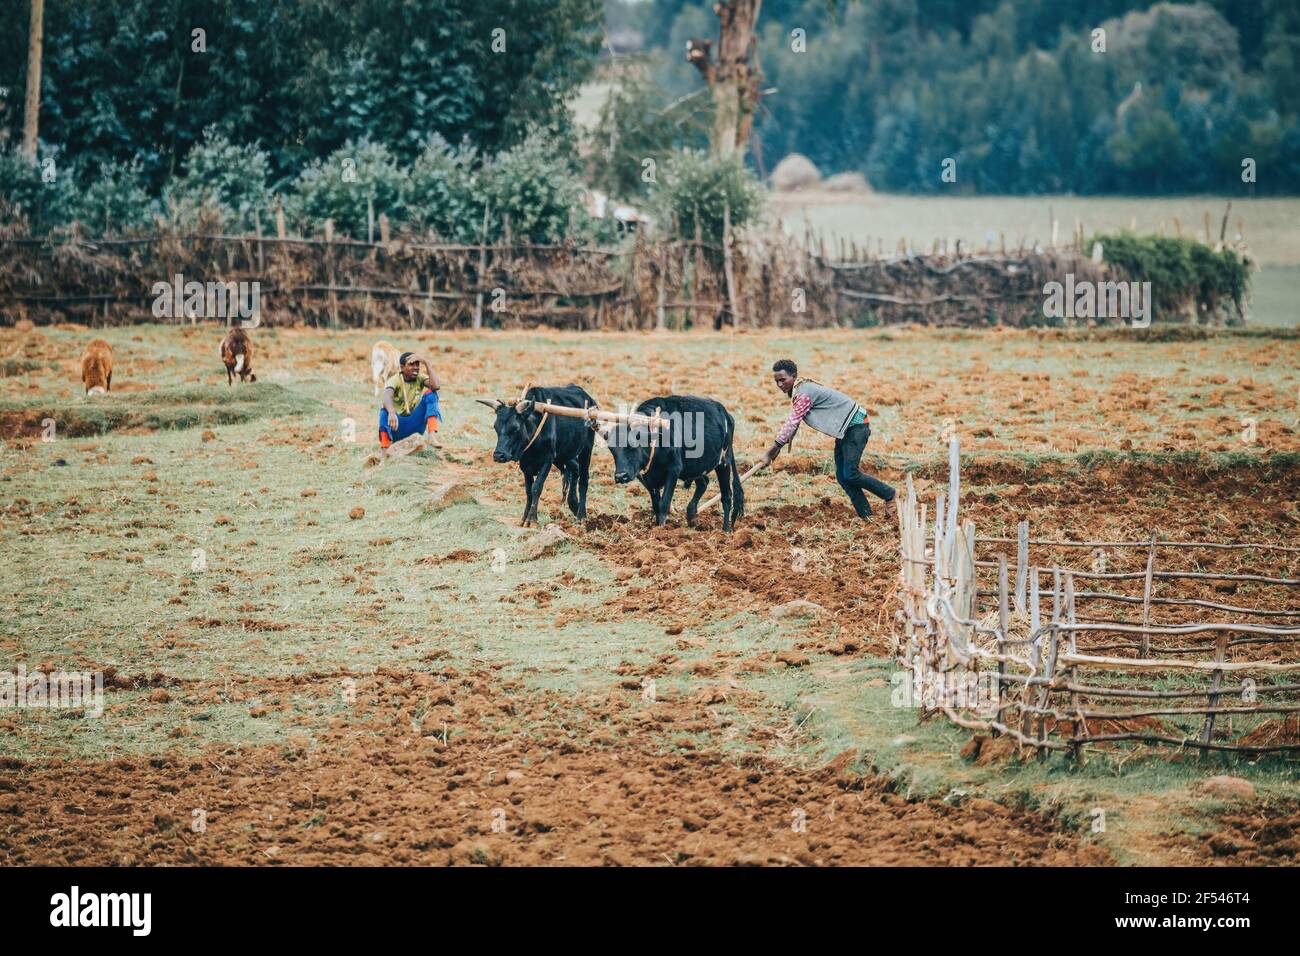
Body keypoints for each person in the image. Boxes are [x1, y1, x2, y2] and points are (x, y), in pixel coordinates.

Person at [759, 359, 896, 519]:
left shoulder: (804, 392)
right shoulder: (800, 389)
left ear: (794, 376)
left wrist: (770, 452)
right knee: (842, 477)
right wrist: (777, 450)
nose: (780, 385)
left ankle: (890, 494)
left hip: (856, 426)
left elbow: (792, 422)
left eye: (783, 380)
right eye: (777, 382)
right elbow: (794, 425)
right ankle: (867, 517)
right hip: (845, 431)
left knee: (850, 473)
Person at [378, 351, 442, 453]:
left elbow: (436, 386)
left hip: (415, 425)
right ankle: (384, 450)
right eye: (411, 364)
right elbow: (386, 396)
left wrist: (426, 363)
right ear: (402, 367)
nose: (416, 367)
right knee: (384, 411)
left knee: (431, 393)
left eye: (417, 364)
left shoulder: (420, 377)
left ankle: (431, 437)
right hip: (397, 427)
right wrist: (391, 412)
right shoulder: (395, 380)